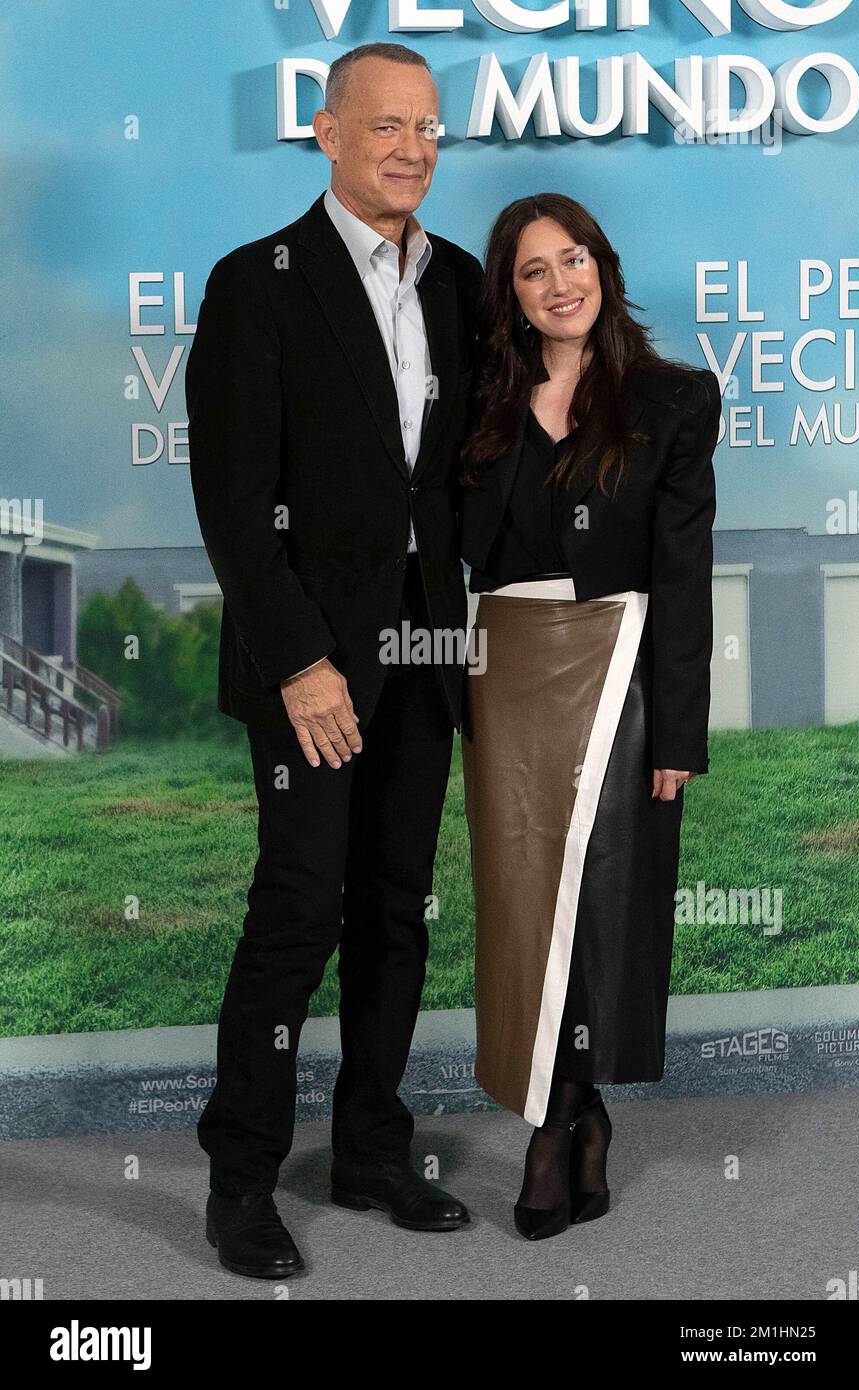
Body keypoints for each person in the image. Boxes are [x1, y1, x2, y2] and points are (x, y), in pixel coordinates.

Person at [185, 42, 483, 1279]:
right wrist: (300, 659)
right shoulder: (259, 283)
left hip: (426, 651)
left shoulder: (462, 283)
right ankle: (241, 1175)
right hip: (309, 664)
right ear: (324, 132)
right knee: (299, 909)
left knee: (397, 910)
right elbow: (233, 498)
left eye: (427, 127)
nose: (411, 147)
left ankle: (369, 1147)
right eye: (385, 126)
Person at [460, 193, 722, 1241]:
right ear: (512, 298)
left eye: (573, 259)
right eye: (533, 270)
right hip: (507, 679)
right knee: (528, 913)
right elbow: (459, 551)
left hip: (620, 671)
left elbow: (683, 571)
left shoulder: (670, 397)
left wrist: (678, 733)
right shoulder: (481, 403)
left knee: (602, 908)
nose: (559, 281)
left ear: (601, 269)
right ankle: (575, 1113)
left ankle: (557, 1123)